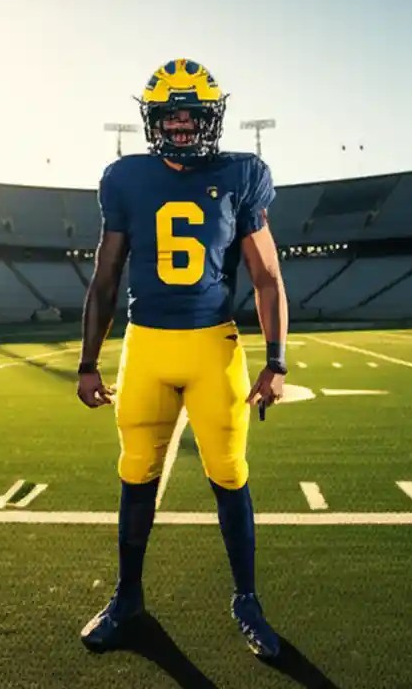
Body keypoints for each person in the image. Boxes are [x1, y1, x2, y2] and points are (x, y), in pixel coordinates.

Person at [75, 58, 288, 658]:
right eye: (170, 115)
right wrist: (89, 362)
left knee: (229, 474)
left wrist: (276, 362)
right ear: (153, 121)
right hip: (144, 348)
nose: (182, 126)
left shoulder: (241, 174)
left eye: (193, 114)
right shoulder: (125, 178)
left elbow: (267, 276)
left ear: (212, 118)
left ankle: (247, 601)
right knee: (136, 472)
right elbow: (105, 276)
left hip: (212, 348)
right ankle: (128, 598)